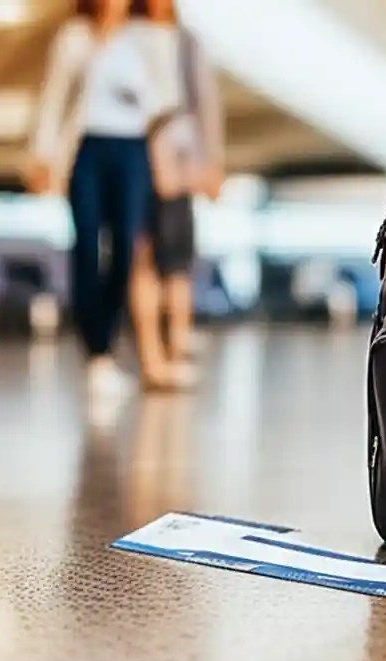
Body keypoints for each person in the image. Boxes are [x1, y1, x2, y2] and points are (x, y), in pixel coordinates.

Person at [26, 0, 190, 395]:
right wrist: (41, 155)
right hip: (87, 150)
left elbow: (168, 100)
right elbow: (53, 99)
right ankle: (95, 350)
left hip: (131, 150)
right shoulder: (75, 38)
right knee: (85, 245)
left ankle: (109, 338)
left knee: (124, 252)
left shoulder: (149, 38)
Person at [130, 0, 225, 386]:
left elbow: (205, 104)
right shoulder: (126, 38)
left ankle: (176, 345)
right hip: (136, 157)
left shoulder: (185, 42)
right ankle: (152, 355)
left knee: (176, 262)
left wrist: (211, 163)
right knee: (142, 259)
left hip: (176, 162)